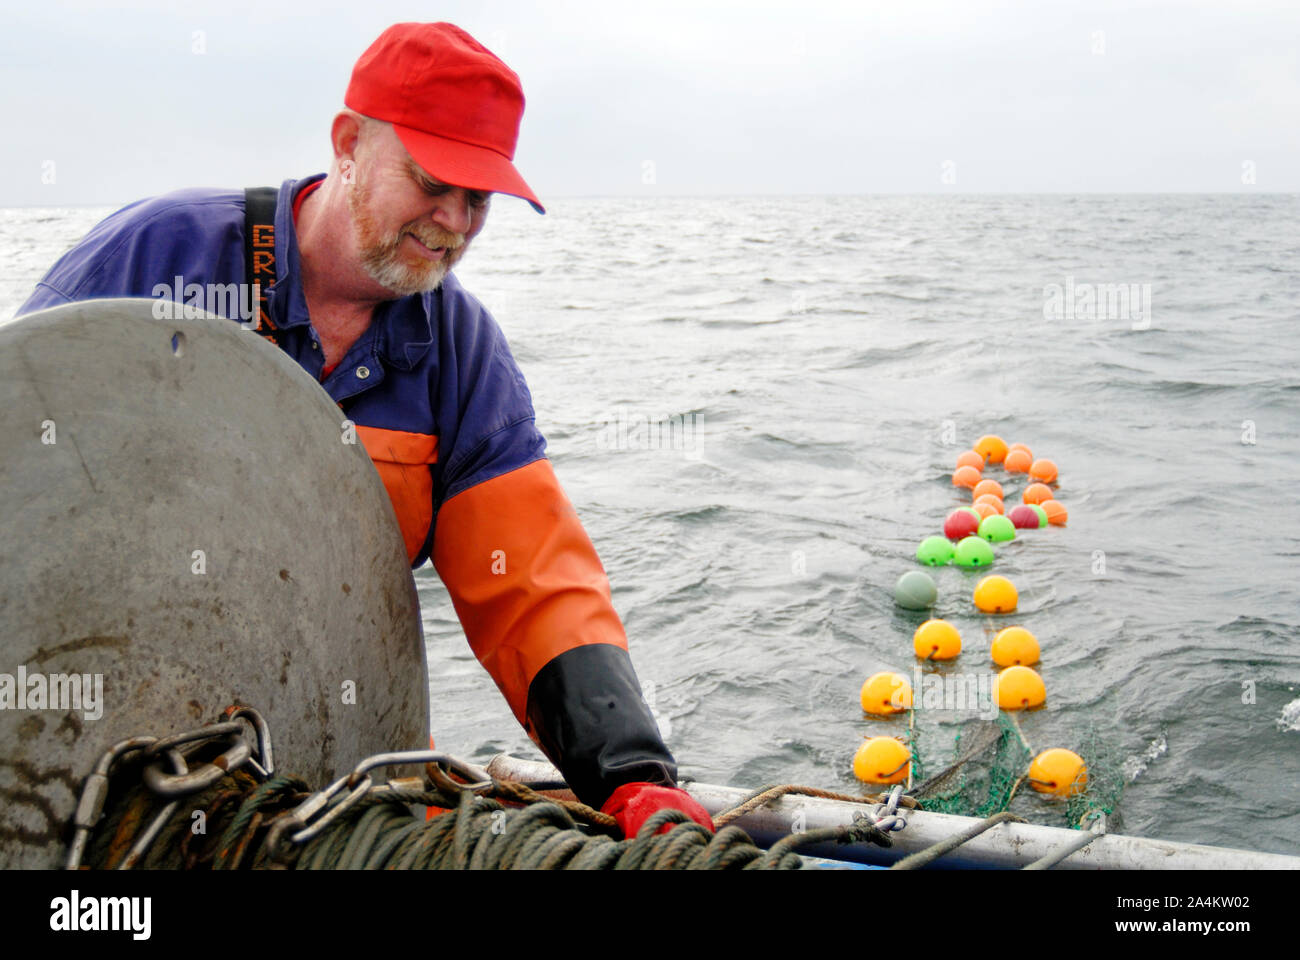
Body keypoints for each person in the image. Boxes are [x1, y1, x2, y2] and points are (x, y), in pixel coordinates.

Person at [18, 21, 712, 838]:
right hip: (79, 766)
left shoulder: (461, 354)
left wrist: (630, 775)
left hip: (335, 790)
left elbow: (533, 586)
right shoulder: (158, 255)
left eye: (479, 198)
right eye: (431, 181)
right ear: (348, 142)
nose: (453, 220)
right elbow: (21, 463)